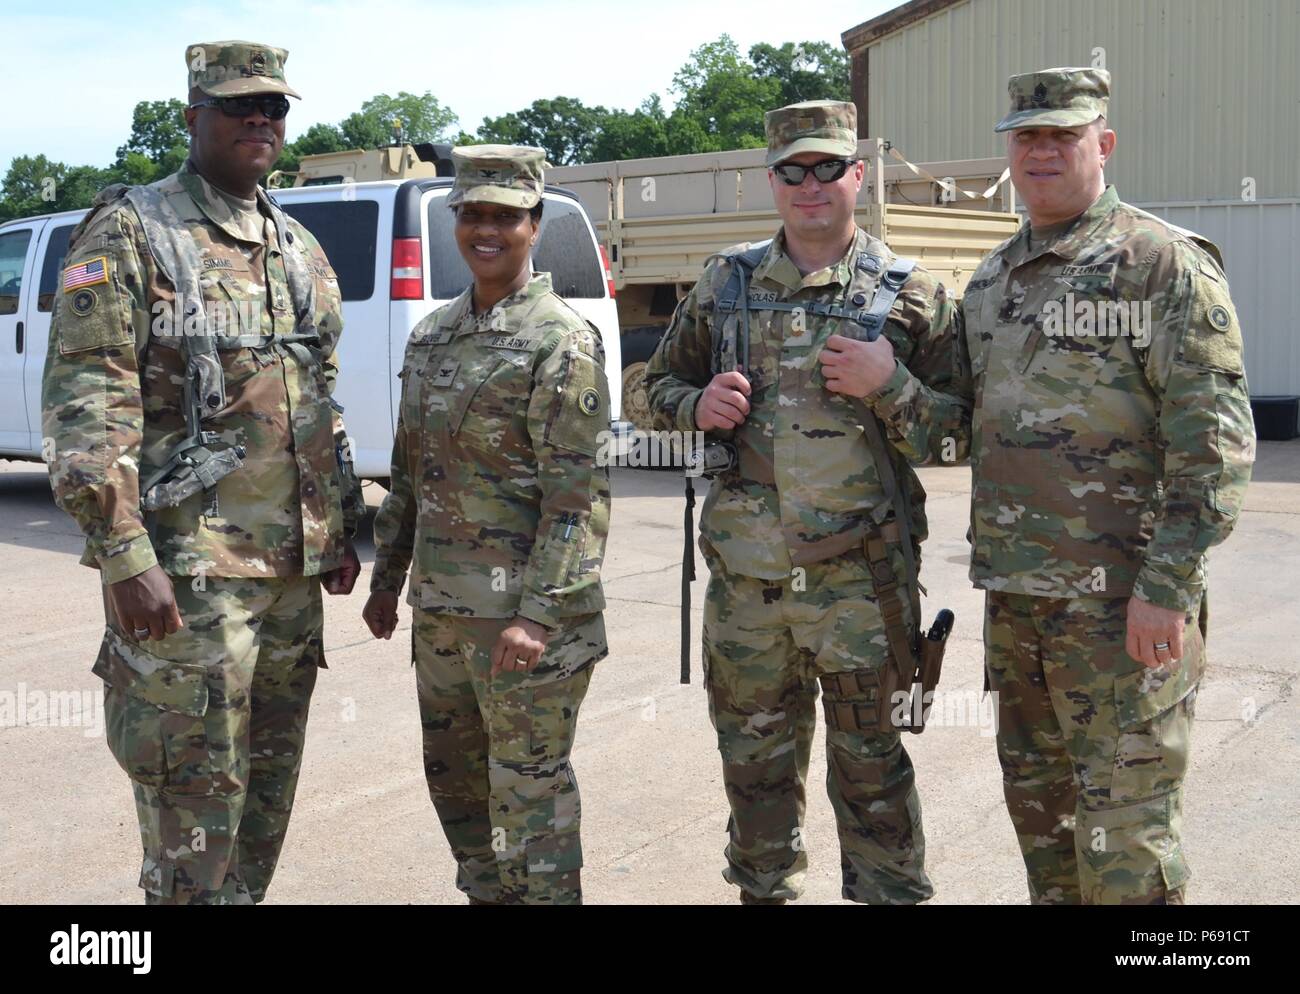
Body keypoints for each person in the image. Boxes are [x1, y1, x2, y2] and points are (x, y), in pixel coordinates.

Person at [42, 40, 363, 905]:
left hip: (289, 582)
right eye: (238, 106)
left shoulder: (296, 244)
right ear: (195, 117)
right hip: (188, 582)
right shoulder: (132, 232)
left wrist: (334, 526)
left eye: (275, 108)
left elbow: (316, 394)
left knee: (263, 800)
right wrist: (124, 555)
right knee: (192, 809)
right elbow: (86, 409)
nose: (260, 120)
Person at [645, 100, 968, 905]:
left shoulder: (914, 294)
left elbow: (966, 436)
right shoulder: (728, 283)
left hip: (862, 591)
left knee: (875, 777)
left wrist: (891, 386)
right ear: (773, 180)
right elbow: (646, 388)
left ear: (858, 174)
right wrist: (694, 405)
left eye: (829, 167)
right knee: (754, 778)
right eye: (794, 170)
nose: (811, 184)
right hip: (748, 596)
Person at [952, 67, 1255, 904]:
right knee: (1046, 836)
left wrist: (1165, 589)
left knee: (1126, 846)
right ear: (1009, 152)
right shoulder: (991, 281)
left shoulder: (1157, 264)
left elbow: (1217, 449)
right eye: (1026, 137)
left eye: (1063, 135)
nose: (1042, 151)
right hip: (1018, 611)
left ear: (1103, 145)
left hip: (1122, 614)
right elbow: (962, 426)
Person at [363, 145, 610, 906]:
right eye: (471, 215)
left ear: (534, 226)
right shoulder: (433, 334)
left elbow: (579, 498)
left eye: (505, 216)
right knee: (460, 791)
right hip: (442, 616)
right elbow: (408, 473)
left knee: (528, 802)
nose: (486, 230)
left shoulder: (560, 340)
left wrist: (538, 615)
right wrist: (388, 579)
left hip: (525, 626)